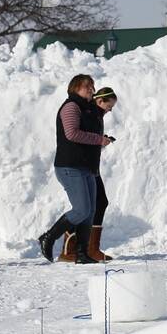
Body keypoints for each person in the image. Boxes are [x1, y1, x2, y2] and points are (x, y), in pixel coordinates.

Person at [36, 74, 114, 264]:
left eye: (93, 86)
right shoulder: (71, 106)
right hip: (70, 166)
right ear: (76, 87)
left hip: (86, 166)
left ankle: (81, 253)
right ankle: (49, 237)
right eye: (88, 86)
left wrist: (101, 136)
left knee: (90, 210)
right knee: (81, 209)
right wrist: (98, 140)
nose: (92, 90)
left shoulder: (86, 108)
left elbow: (90, 125)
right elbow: (72, 134)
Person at [58, 86, 118, 263]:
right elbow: (79, 136)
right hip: (81, 167)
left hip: (90, 166)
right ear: (100, 101)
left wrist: (101, 139)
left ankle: (87, 249)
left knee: (96, 204)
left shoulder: (96, 114)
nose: (110, 110)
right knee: (87, 207)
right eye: (109, 106)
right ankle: (72, 250)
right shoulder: (91, 113)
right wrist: (100, 140)